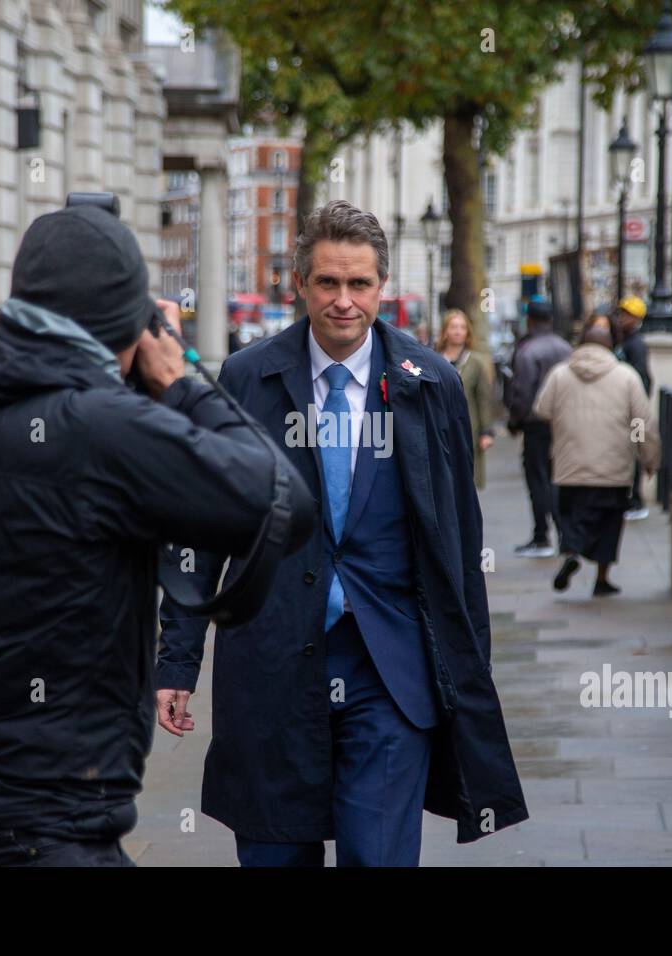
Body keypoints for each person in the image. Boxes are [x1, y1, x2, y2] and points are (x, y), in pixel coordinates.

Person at [0, 204, 310, 867]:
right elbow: (282, 501)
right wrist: (178, 385)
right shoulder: (103, 427)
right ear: (127, 326)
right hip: (55, 820)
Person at [156, 200, 528, 867]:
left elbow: (458, 545)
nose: (343, 302)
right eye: (327, 283)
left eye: (359, 284)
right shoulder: (246, 379)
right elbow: (200, 526)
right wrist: (177, 661)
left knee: (378, 855)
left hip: (389, 668)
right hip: (271, 663)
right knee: (275, 856)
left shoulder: (430, 386)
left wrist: (469, 670)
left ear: (382, 287)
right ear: (299, 285)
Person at [532, 321, 660, 597]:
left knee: (572, 516)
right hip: (614, 467)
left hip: (570, 465)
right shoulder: (626, 376)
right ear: (610, 346)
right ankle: (602, 579)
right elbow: (643, 424)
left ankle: (572, 552)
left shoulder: (560, 374)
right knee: (609, 523)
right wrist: (649, 459)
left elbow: (541, 410)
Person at [505, 298, 572, 557]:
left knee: (538, 479)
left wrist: (514, 421)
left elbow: (521, 392)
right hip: (562, 423)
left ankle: (542, 535)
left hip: (535, 424)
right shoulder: (565, 348)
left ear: (530, 320)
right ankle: (564, 534)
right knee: (558, 477)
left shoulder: (527, 351)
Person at [436, 308, 496, 489]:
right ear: (445, 331)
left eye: (462, 327)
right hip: (440, 427)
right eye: (453, 327)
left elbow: (483, 399)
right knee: (442, 481)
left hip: (468, 428)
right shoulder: (433, 360)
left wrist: (487, 431)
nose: (458, 331)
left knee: (466, 482)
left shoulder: (475, 362)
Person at [613, 296, 651, 521]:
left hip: (632, 410)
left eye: (626, 314)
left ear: (636, 318)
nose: (621, 318)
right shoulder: (627, 341)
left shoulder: (635, 344)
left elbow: (642, 379)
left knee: (633, 453)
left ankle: (635, 500)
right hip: (628, 407)